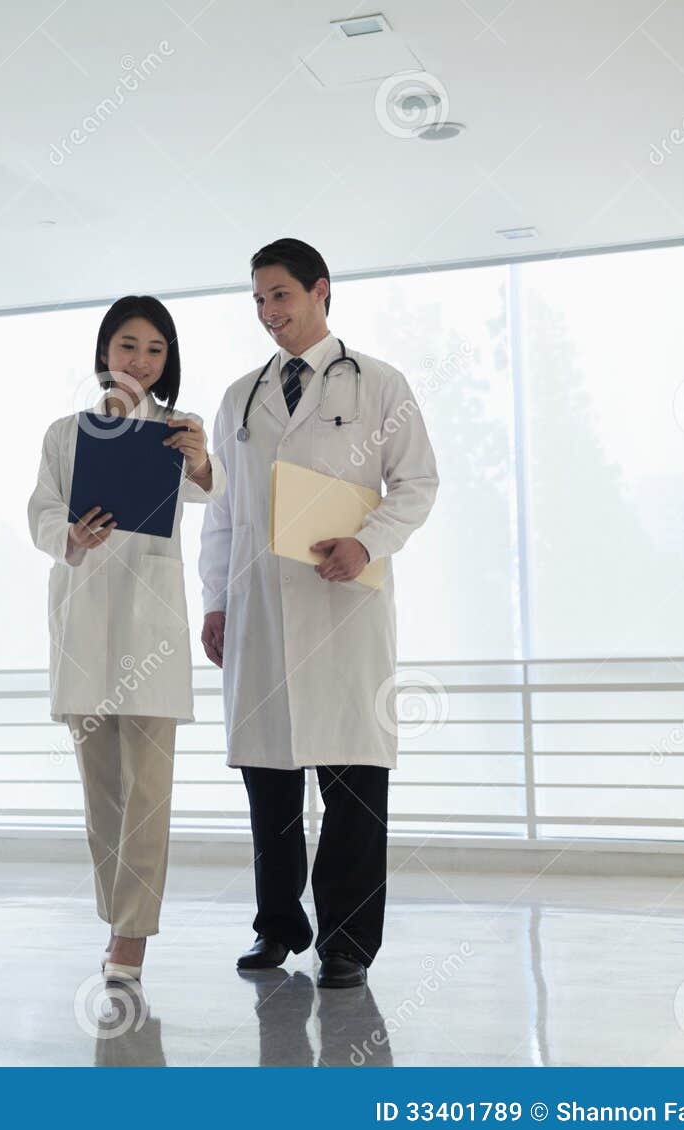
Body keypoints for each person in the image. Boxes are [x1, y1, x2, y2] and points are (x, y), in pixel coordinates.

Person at [198, 239, 439, 989]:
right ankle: (278, 927)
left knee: (353, 788)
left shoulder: (380, 385)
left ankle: (346, 942)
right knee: (269, 786)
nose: (270, 313)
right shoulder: (239, 397)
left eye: (281, 296)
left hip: (344, 609)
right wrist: (213, 599)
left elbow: (418, 483)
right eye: (260, 301)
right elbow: (223, 513)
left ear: (320, 290)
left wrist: (367, 545)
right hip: (260, 610)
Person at [27, 295, 226, 984]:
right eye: (128, 345)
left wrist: (202, 463)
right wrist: (70, 538)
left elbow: (215, 492)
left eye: (155, 349)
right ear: (105, 351)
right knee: (102, 792)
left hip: (151, 635)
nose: (140, 359)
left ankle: (132, 937)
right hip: (85, 625)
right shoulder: (64, 433)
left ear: (167, 360)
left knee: (149, 793)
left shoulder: (178, 431)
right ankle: (117, 914)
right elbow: (42, 511)